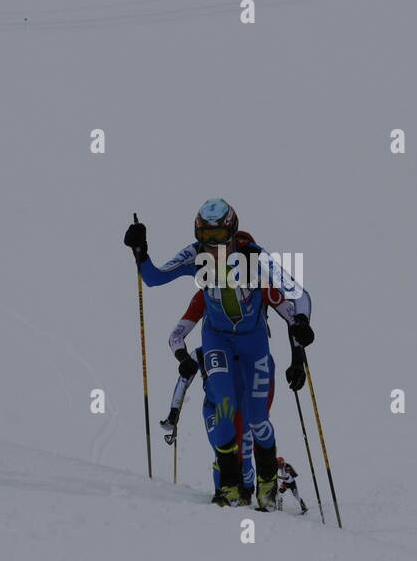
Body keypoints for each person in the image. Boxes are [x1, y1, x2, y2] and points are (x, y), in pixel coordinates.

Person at [125, 199, 312, 511]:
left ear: (233, 231)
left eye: (221, 236)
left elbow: (298, 295)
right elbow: (156, 278)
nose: (214, 245)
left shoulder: (254, 257)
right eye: (207, 237)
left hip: (253, 345)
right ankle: (229, 486)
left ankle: (267, 482)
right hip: (217, 341)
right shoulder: (196, 254)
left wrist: (301, 332)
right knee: (224, 404)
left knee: (256, 418)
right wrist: (141, 251)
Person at [162, 287, 307, 505]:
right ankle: (228, 493)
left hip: (247, 396)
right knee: (223, 447)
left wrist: (297, 360)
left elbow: (294, 315)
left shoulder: (257, 289)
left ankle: (264, 484)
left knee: (246, 449)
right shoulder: (203, 352)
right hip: (215, 406)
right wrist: (173, 414)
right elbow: (182, 379)